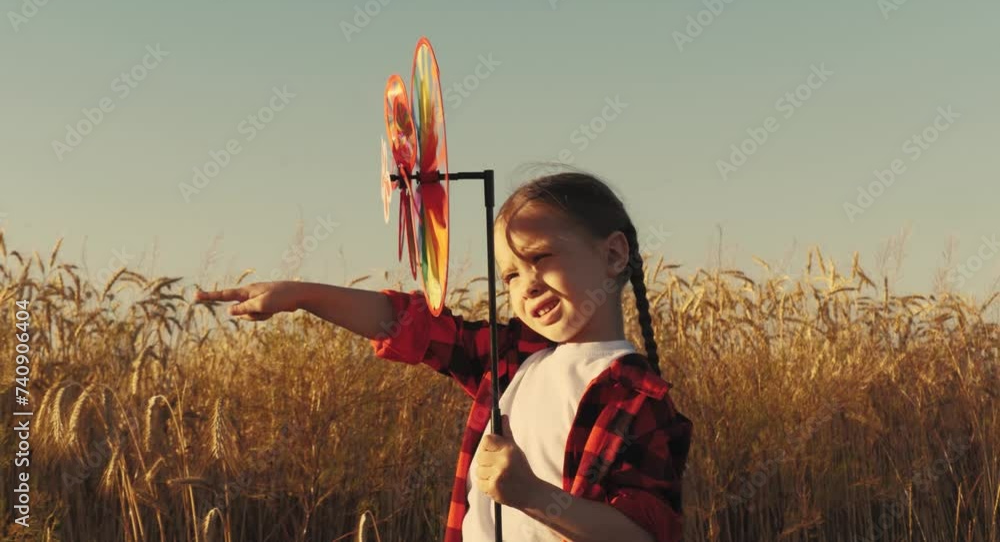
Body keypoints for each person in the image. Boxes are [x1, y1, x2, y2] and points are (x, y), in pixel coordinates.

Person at [195, 170, 692, 542]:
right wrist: (298, 294)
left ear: (613, 254)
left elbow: (644, 532)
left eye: (540, 257)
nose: (526, 284)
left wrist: (533, 496)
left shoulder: (635, 395)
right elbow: (408, 326)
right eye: (511, 276)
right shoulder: (513, 358)